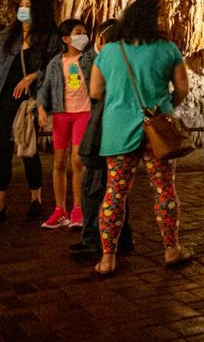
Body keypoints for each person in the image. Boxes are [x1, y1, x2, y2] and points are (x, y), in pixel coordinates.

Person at [88, 0, 194, 275]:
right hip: (156, 132)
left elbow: (95, 91)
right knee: (164, 189)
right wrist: (165, 104)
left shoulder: (110, 51)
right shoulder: (167, 49)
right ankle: (172, 249)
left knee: (115, 192)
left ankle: (108, 258)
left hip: (117, 130)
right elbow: (183, 88)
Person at [0, 0, 54, 226]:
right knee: (2, 153)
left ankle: (36, 201)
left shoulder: (47, 38)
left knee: (29, 151)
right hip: (3, 100)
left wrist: (34, 76)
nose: (23, 9)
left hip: (27, 103)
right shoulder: (9, 36)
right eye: (21, 5)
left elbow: (54, 66)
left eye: (28, 6)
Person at [68, 20, 134, 259]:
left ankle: (96, 239)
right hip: (116, 128)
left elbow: (94, 91)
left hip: (103, 129)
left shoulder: (95, 60)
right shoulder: (125, 59)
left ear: (101, 40)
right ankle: (118, 238)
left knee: (96, 187)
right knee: (114, 187)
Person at [36, 18, 94, 230]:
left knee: (77, 161)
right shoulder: (55, 63)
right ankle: (60, 209)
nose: (84, 35)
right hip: (62, 115)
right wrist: (41, 108)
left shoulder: (90, 59)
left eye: (85, 32)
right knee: (59, 162)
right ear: (66, 38)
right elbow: (44, 88)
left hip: (84, 114)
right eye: (79, 32)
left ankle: (78, 208)